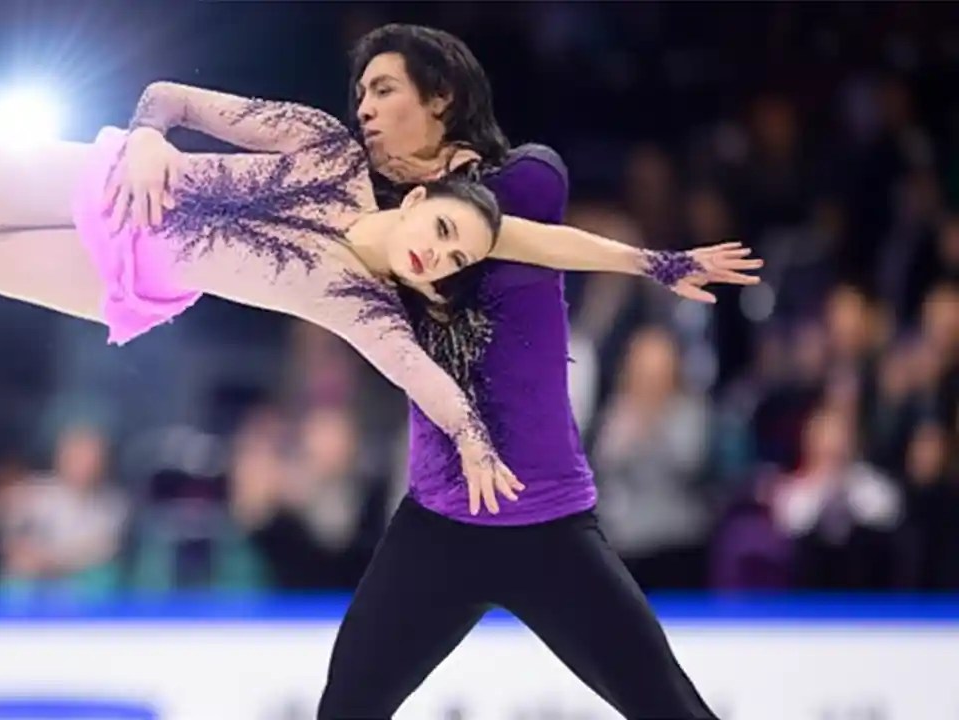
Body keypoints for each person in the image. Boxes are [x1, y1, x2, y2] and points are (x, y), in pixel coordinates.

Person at [0, 77, 754, 521]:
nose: (433, 259)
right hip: (108, 182)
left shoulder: (360, 305)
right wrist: (149, 137)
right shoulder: (328, 148)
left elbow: (423, 371)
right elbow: (170, 99)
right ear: (423, 195)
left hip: (135, 275)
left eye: (448, 263)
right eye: (439, 231)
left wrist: (472, 433)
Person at [101, 25, 745, 719]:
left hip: (550, 531)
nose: (365, 111)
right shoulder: (380, 219)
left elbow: (531, 232)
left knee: (671, 708)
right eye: (361, 95)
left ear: (442, 97)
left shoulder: (522, 180)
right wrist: (146, 138)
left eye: (384, 91)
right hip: (436, 530)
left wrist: (656, 262)